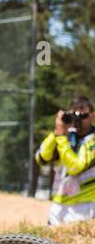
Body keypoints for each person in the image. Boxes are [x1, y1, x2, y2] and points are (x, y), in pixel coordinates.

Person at [35, 95, 95, 224]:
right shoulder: (64, 135)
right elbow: (41, 158)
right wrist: (57, 132)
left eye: (83, 116)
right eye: (74, 116)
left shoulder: (93, 140)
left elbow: (75, 167)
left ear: (93, 116)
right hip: (59, 204)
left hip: (86, 206)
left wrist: (61, 138)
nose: (78, 120)